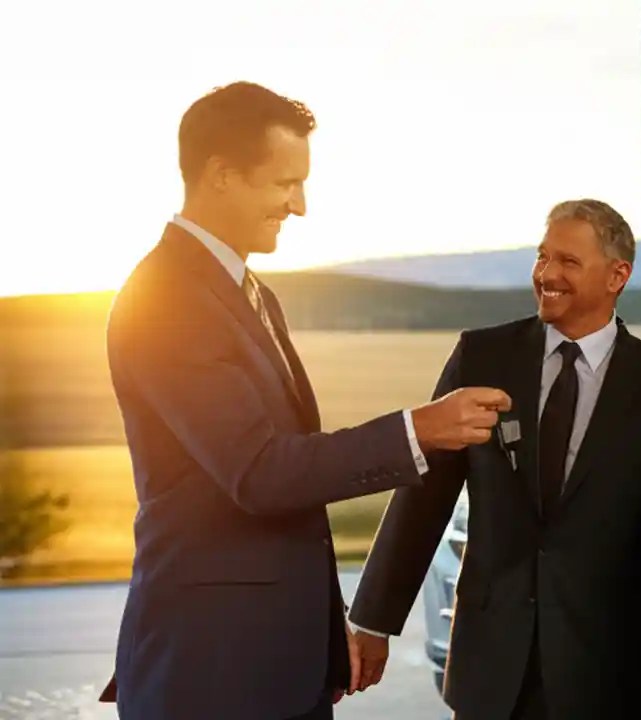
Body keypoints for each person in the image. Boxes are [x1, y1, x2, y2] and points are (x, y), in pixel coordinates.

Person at [101, 81, 510, 720]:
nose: (299, 205)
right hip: (213, 674)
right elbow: (261, 473)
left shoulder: (250, 293)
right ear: (220, 176)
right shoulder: (170, 299)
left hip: (270, 663)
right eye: (283, 183)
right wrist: (417, 431)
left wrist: (319, 626)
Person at [346, 199, 641, 720]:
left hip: (606, 673)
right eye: (543, 257)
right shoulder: (481, 356)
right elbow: (425, 495)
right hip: (490, 666)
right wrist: (373, 620)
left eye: (568, 261)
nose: (547, 274)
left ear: (617, 275)